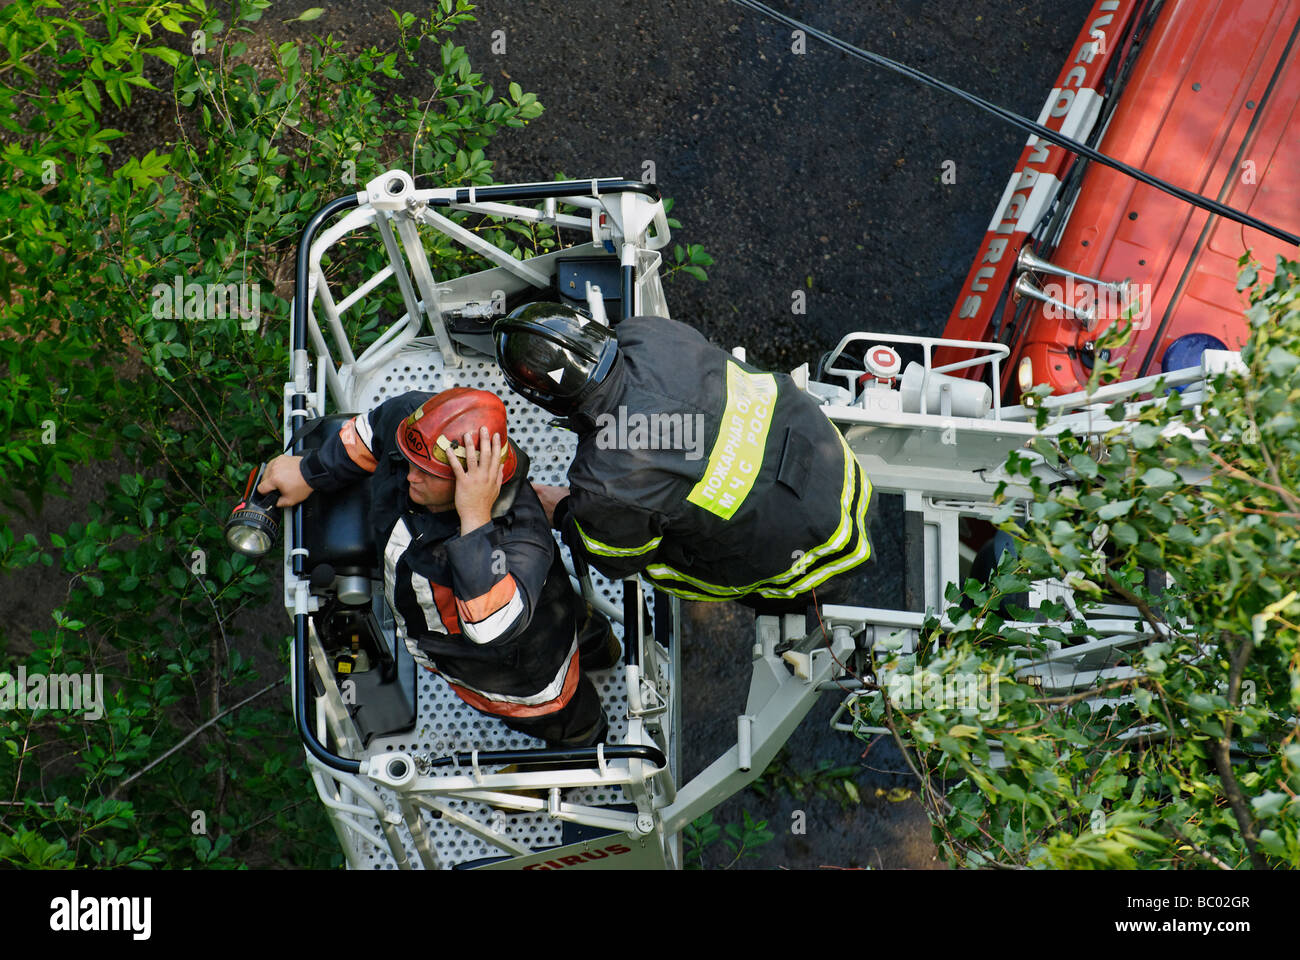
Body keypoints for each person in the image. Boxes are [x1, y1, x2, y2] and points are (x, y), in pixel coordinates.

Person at [259, 387, 616, 748]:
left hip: (517, 671)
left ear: (473, 481)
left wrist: (474, 516)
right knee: (580, 623)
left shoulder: (519, 536)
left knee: (564, 718)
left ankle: (585, 741)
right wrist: (310, 471)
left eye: (429, 473)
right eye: (409, 459)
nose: (410, 475)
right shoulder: (419, 427)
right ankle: (600, 646)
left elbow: (490, 625)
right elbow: (370, 434)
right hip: (472, 637)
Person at [494, 304, 872, 614]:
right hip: (838, 467)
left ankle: (783, 602)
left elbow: (618, 559)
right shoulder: (650, 332)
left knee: (654, 562)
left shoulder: (607, 480)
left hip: (824, 555)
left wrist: (564, 512)